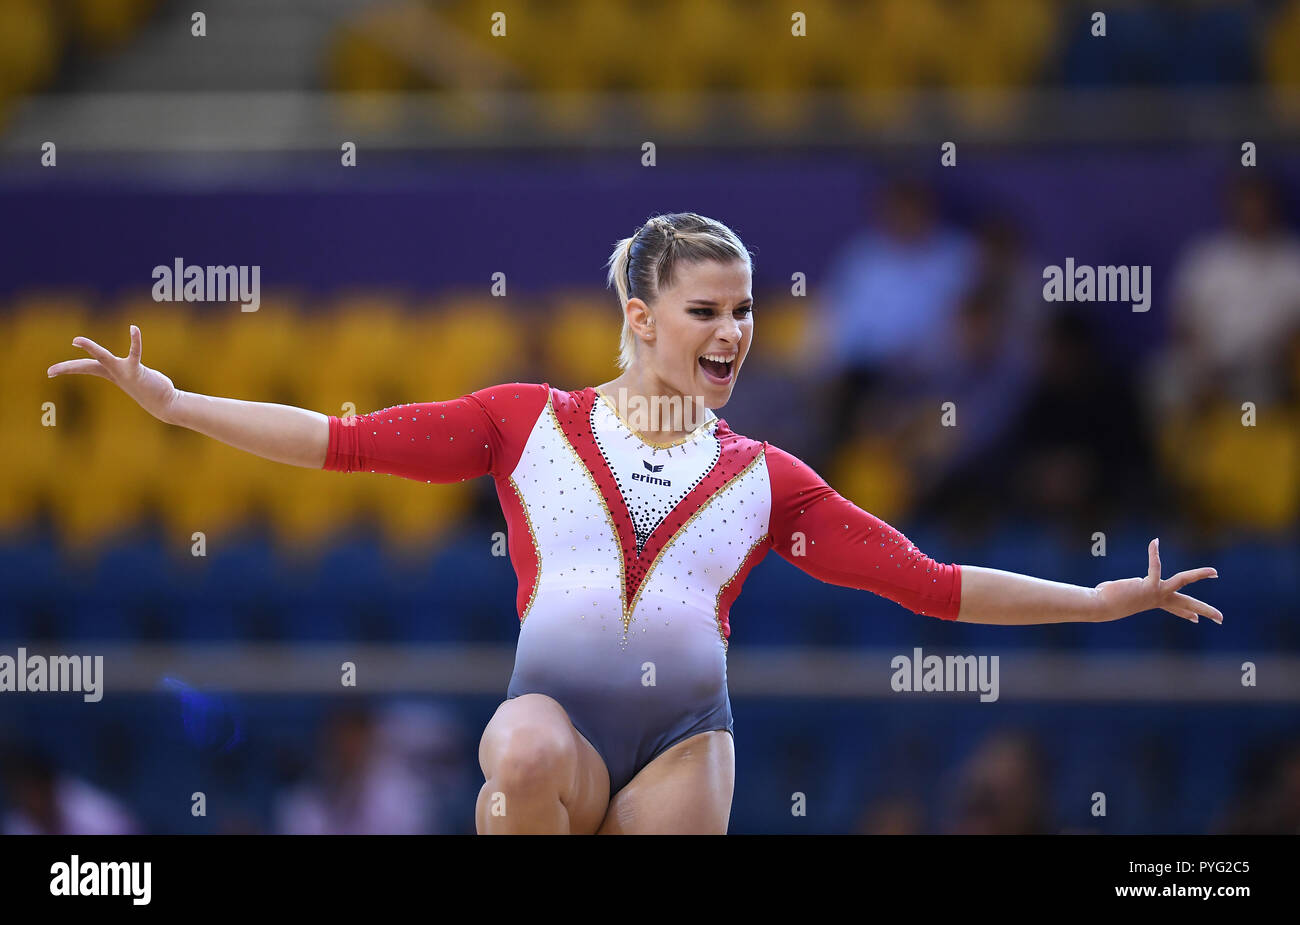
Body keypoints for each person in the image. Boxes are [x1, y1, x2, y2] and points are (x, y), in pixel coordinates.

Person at [46, 211, 1223, 835]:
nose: (732, 332)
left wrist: (1101, 597)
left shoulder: (769, 477)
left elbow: (929, 584)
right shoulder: (524, 422)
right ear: (638, 317)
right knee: (518, 747)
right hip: (551, 736)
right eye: (704, 309)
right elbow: (338, 440)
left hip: (681, 743)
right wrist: (174, 402)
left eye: (746, 311)